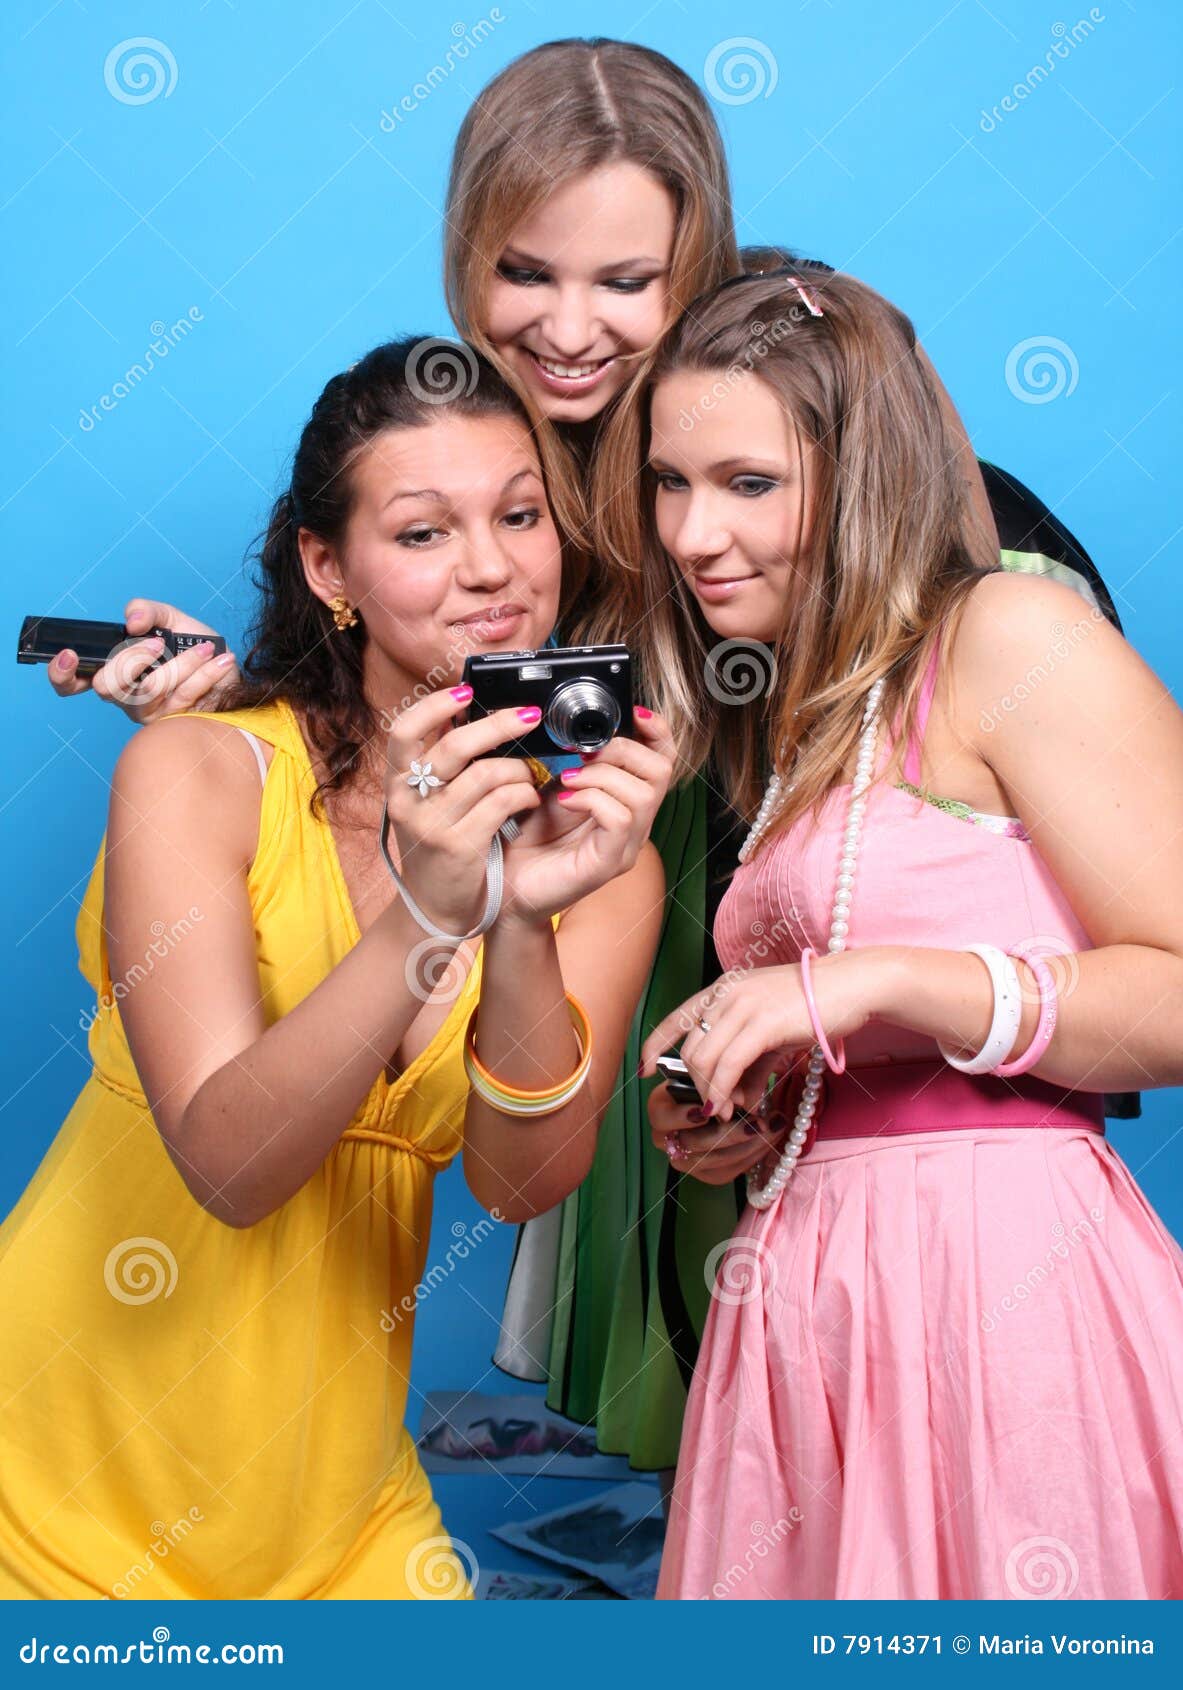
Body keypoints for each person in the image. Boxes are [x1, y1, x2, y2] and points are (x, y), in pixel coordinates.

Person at [35, 37, 1133, 1480]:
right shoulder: (508, 458)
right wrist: (254, 707)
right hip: (652, 955)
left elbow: (934, 813)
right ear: (462, 260)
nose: (569, 327)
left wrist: (838, 1027)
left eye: (627, 282)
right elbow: (467, 697)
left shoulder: (811, 424)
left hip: (871, 987)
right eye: (525, 274)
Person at [0, 339, 673, 1599]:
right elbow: (231, 1167)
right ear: (329, 567)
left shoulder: (598, 859)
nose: (491, 567)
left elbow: (523, 1183)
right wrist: (427, 916)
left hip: (340, 1517)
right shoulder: (197, 772)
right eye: (423, 533)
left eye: (521, 515)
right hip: (43, 1486)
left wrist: (517, 919)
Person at [600, 265, 1183, 1598]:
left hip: (1001, 1302)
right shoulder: (802, 711)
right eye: (668, 482)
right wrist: (749, 1106)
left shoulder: (1006, 632)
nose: (692, 534)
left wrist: (866, 984)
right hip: (807, 1303)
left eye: (747, 483)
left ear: (864, 474)